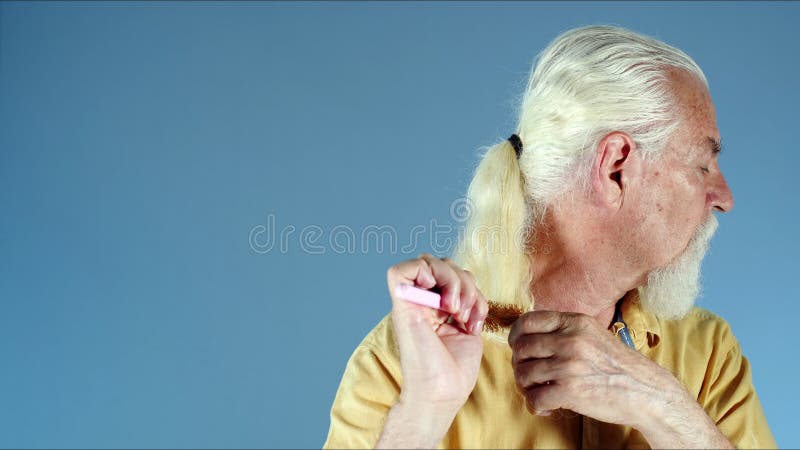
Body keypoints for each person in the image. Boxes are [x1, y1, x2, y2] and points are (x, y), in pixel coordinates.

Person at [323, 25, 776, 449]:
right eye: (702, 165)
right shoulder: (405, 360)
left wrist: (659, 404)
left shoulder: (709, 353)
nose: (724, 198)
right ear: (616, 169)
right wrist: (424, 412)